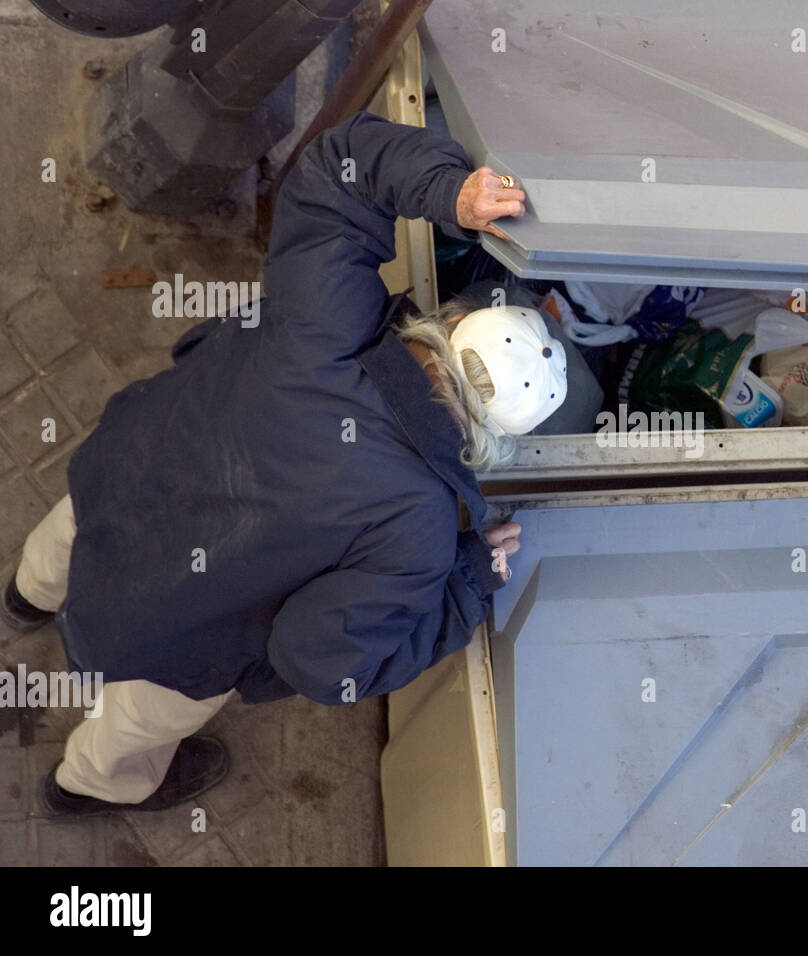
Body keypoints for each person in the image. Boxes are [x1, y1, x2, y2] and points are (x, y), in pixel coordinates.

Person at [0, 111, 566, 816]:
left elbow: (338, 169)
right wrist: (468, 581)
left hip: (123, 482)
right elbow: (323, 662)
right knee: (134, 723)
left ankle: (25, 597)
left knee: (67, 540)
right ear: (494, 441)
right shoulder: (417, 530)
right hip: (183, 630)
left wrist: (450, 192)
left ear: (451, 322)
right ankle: (82, 788)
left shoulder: (330, 310)